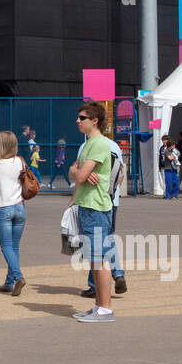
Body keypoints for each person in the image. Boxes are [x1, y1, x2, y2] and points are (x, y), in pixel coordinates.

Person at [70, 102, 115, 322]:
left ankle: (105, 309)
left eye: (82, 117)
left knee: (100, 260)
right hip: (88, 206)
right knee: (94, 259)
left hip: (96, 206)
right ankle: (99, 305)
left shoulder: (99, 144)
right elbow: (74, 170)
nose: (78, 121)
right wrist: (81, 172)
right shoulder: (88, 144)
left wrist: (80, 172)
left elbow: (77, 175)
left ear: (95, 120)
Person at [82, 135, 127, 298]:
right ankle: (114, 276)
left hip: (95, 201)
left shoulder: (87, 146)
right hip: (112, 200)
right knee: (107, 239)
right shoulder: (114, 145)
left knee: (96, 245)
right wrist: (114, 193)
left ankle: (103, 284)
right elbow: (121, 173)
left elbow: (79, 173)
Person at [0, 130, 27, 296]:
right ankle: (9, 281)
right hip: (20, 207)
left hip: (3, 207)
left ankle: (18, 276)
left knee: (5, 246)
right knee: (14, 246)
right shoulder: (20, 161)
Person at [159, 135, 181, 199]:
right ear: (170, 145)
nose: (174, 146)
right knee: (168, 183)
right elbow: (170, 158)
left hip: (174, 169)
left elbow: (179, 153)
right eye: (173, 145)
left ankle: (174, 195)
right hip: (167, 169)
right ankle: (168, 195)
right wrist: (175, 156)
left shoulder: (175, 150)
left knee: (176, 182)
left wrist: (176, 155)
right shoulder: (166, 151)